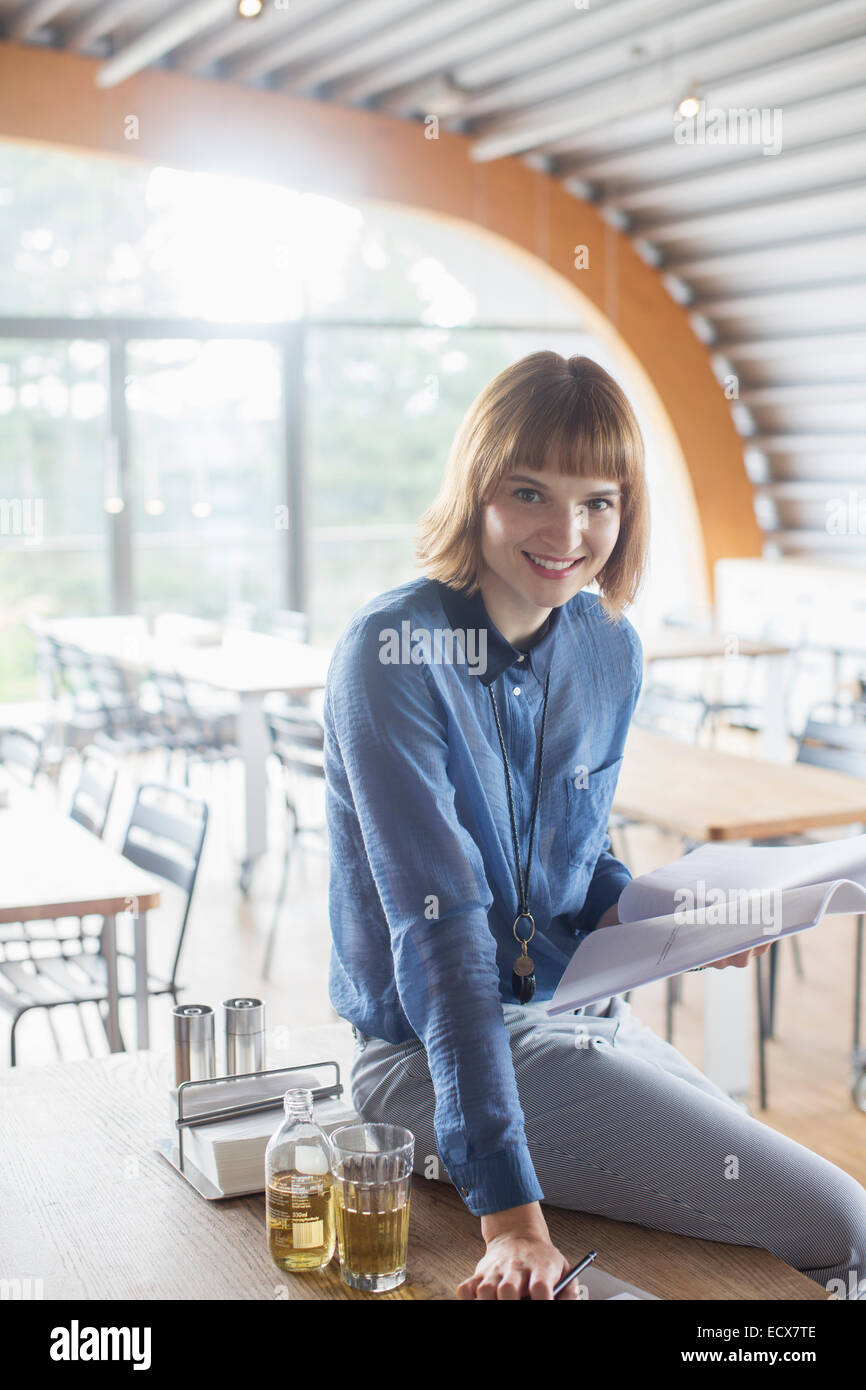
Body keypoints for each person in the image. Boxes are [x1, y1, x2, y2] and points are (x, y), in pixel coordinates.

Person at [323, 351, 866, 1300]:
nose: (567, 532)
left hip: (583, 1023)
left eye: (599, 502)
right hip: (425, 1058)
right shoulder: (393, 654)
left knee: (782, 1238)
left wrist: (675, 922)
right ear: (478, 488)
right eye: (531, 491)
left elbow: (581, 863)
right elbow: (441, 934)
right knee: (846, 1226)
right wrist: (511, 1219)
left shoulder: (606, 647)